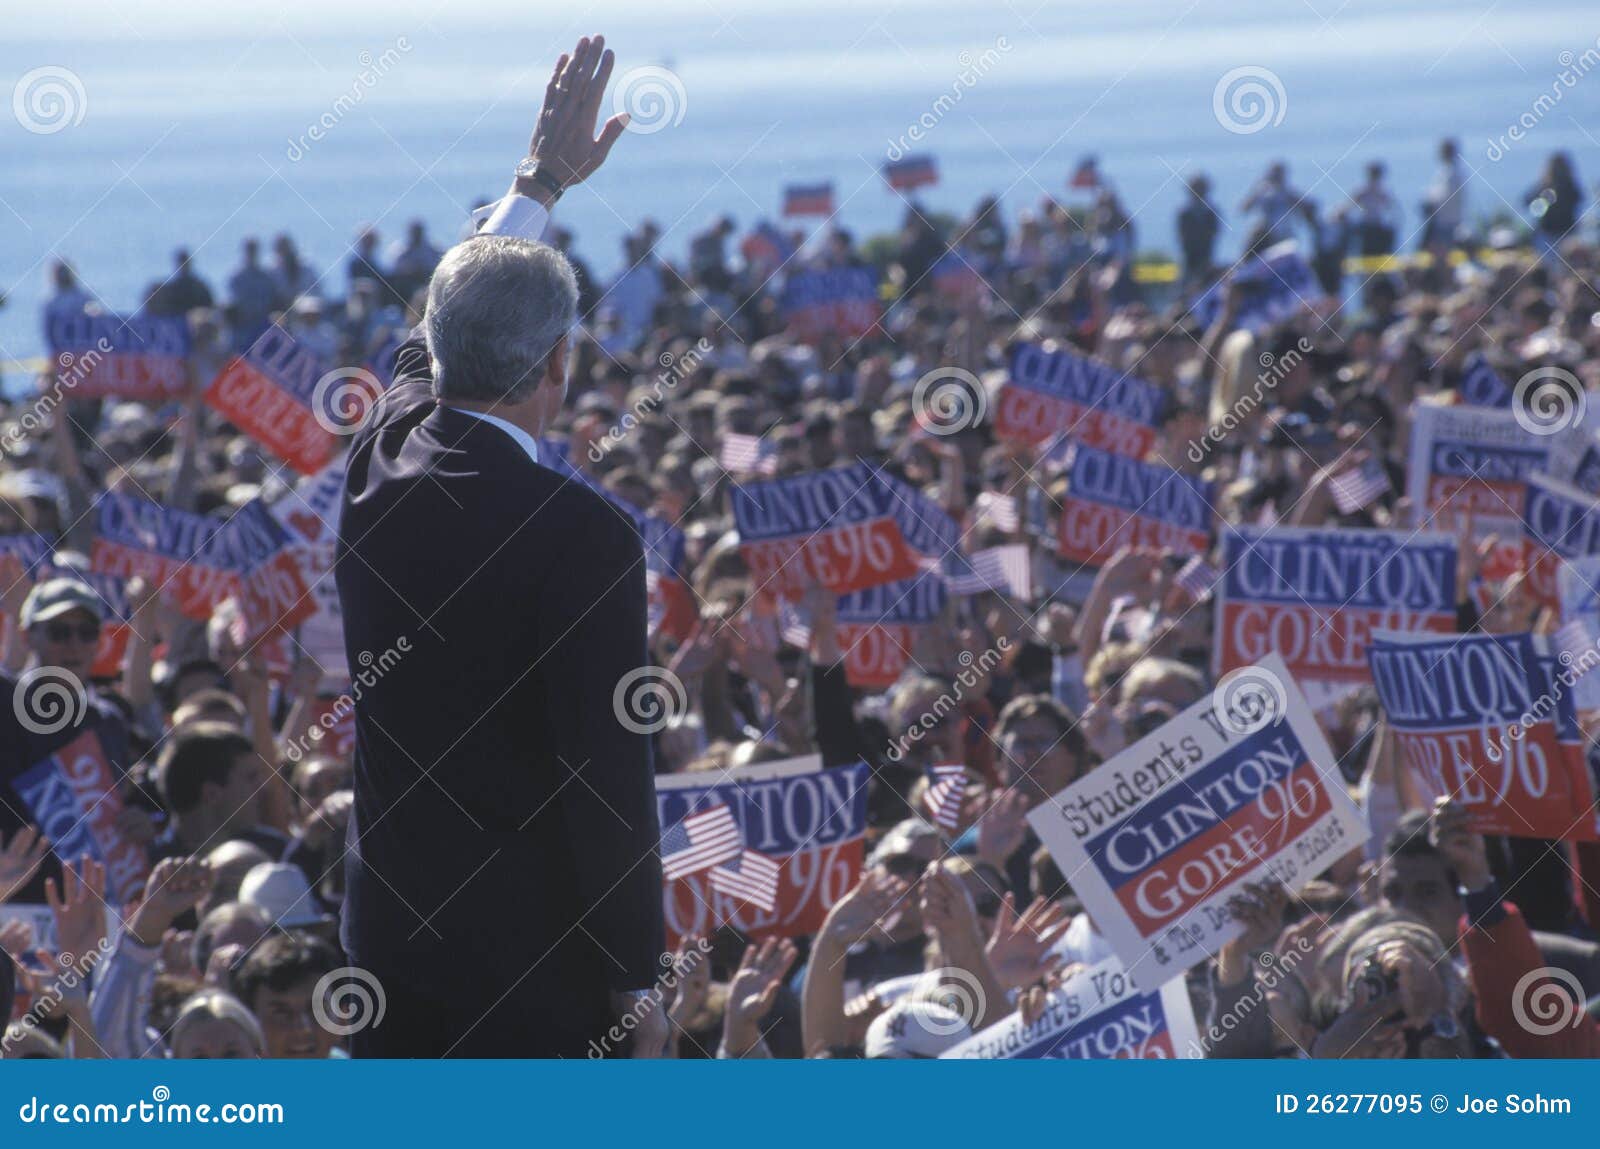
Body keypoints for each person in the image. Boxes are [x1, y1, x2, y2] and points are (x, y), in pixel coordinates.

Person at [335, 34, 667, 1059]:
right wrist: (636, 972)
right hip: (538, 972)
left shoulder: (378, 459)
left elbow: (417, 341)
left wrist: (537, 182)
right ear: (558, 365)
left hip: (385, 949)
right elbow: (605, 771)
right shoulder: (583, 534)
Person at [226, 237, 280, 352]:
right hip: (243, 324)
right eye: (250, 250)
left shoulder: (266, 276)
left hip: (264, 323)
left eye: (254, 250)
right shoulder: (237, 277)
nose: (252, 253)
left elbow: (272, 300)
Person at [1176, 174, 1221, 287]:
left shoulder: (1211, 212)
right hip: (1189, 258)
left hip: (1206, 257)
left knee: (1206, 286)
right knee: (1186, 287)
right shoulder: (1184, 213)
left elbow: (1214, 232)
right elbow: (1182, 235)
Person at [143, 247, 214, 318]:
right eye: (182, 262)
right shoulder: (172, 288)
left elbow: (209, 307)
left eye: (185, 262)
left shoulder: (199, 287)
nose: (184, 265)